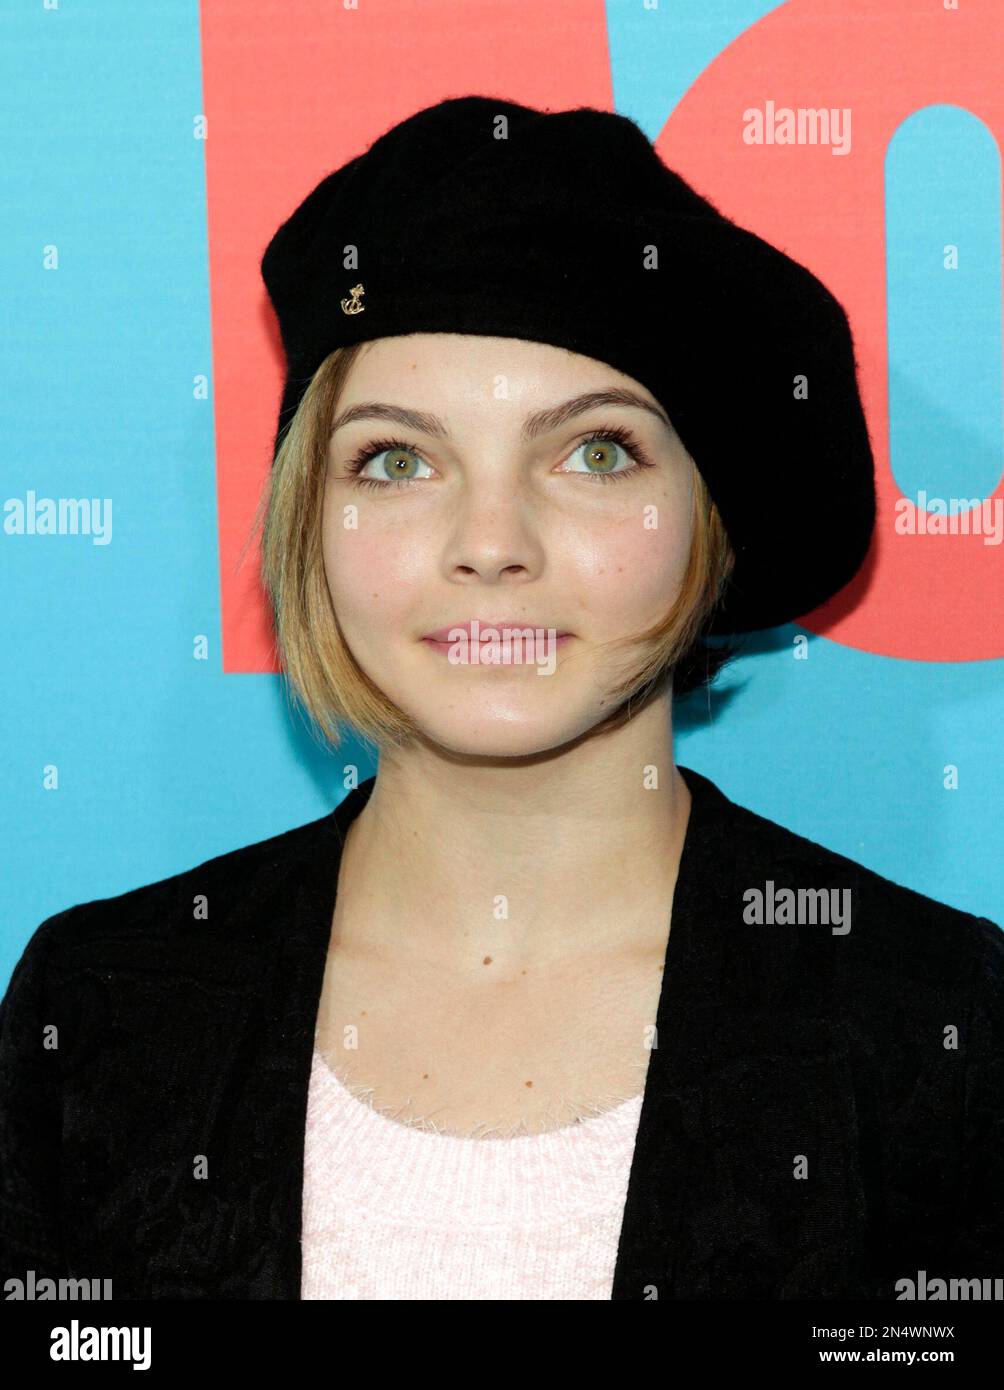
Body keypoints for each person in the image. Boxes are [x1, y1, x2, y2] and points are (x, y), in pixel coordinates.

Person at [1, 96, 1000, 1302]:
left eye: (592, 453)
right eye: (395, 458)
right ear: (309, 524)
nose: (488, 541)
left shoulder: (939, 1030)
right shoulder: (100, 1010)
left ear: (708, 518)